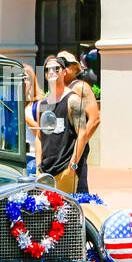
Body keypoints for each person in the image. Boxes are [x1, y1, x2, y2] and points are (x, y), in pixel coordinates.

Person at [33, 55, 87, 192]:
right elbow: (39, 136)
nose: (51, 72)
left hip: (65, 171)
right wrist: (38, 165)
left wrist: (73, 164)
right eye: (47, 70)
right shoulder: (42, 104)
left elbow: (82, 134)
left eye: (56, 68)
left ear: (64, 72)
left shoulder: (73, 100)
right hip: (45, 172)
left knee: (66, 212)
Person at [57, 50, 100, 192]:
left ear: (71, 68)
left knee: (78, 190)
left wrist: (79, 145)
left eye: (61, 65)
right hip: (61, 149)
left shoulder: (80, 87)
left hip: (74, 149)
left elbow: (94, 120)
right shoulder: (59, 90)